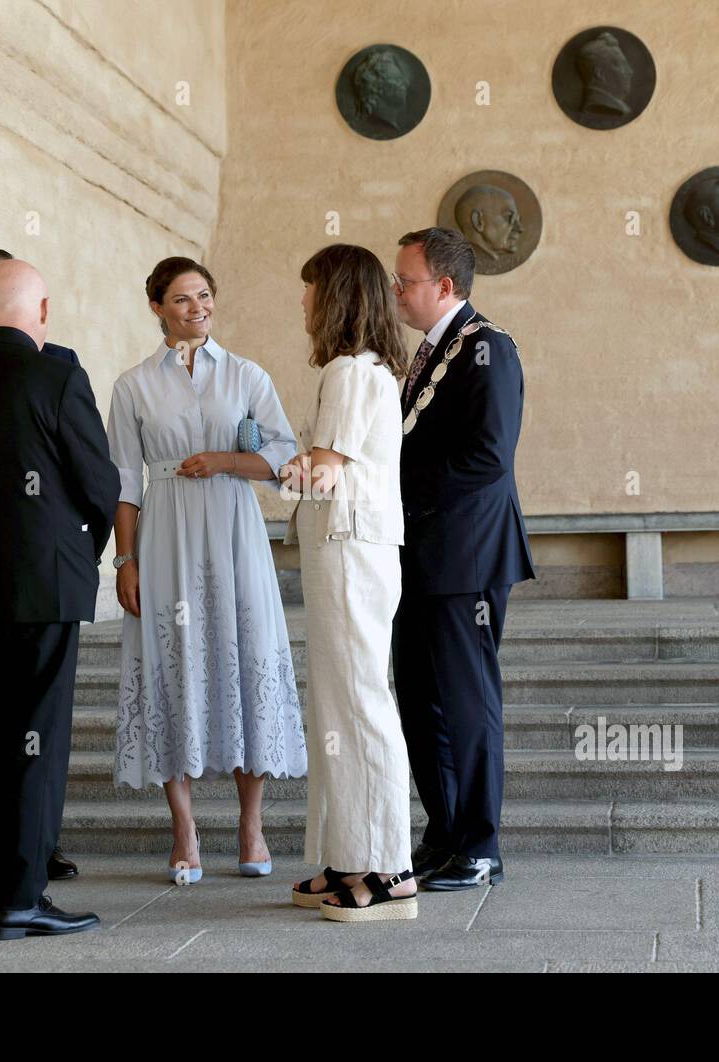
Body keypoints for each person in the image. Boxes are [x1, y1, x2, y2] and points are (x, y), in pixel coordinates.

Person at [0, 260, 120, 938]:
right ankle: (22, 898)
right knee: (38, 743)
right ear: (35, 307)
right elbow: (100, 482)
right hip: (45, 586)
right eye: (45, 306)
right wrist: (81, 550)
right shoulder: (59, 375)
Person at [106, 257, 306, 882]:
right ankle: (184, 829)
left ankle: (252, 825)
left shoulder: (246, 374)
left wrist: (223, 459)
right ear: (157, 307)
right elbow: (122, 481)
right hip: (163, 535)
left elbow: (284, 452)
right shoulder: (133, 385)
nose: (197, 308)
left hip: (234, 530)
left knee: (244, 657)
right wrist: (126, 559)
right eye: (182, 299)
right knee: (171, 663)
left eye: (204, 296)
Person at [390, 227, 536, 891]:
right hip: (418, 557)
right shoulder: (429, 352)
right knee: (421, 703)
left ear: (444, 286)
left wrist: (391, 492)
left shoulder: (488, 348)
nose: (396, 291)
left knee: (466, 704)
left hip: (466, 558)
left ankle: (480, 847)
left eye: (406, 280)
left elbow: (488, 457)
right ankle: (444, 834)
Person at [280, 244, 416, 922]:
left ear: (334, 296)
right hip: (352, 550)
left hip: (348, 550)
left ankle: (387, 869)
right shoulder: (367, 372)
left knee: (358, 704)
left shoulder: (348, 371)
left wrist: (270, 467)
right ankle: (346, 856)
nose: (302, 303)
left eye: (309, 290)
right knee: (339, 707)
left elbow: (324, 471)